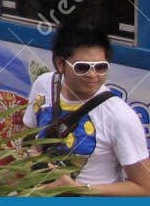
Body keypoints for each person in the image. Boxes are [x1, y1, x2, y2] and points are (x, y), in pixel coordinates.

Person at [22, 24, 150, 195]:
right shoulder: (44, 85)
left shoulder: (120, 116)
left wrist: (79, 189)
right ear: (61, 64)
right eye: (82, 67)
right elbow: (27, 138)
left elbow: (145, 188)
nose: (93, 75)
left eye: (101, 67)